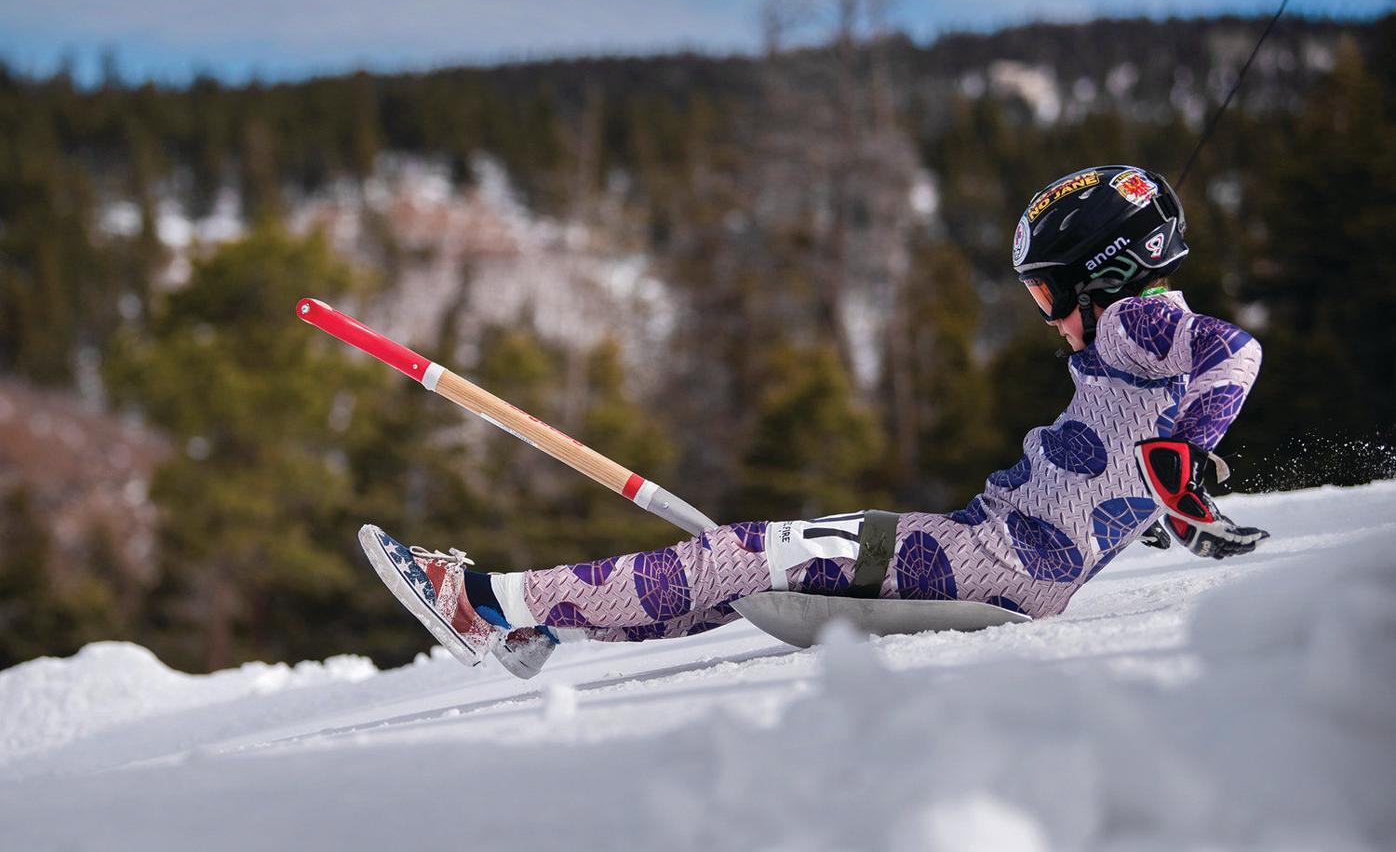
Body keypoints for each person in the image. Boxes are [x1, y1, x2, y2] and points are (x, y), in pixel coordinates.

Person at [361, 164, 1269, 679]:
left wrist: (1181, 466)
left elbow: (1235, 353)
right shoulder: (1127, 338)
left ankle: (485, 605)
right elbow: (1131, 453)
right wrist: (1158, 501)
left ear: (1102, 272)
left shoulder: (1131, 318)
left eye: (1046, 292)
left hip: (995, 558)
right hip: (1003, 552)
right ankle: (542, 627)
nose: (1047, 315)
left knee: (751, 551)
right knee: (742, 567)